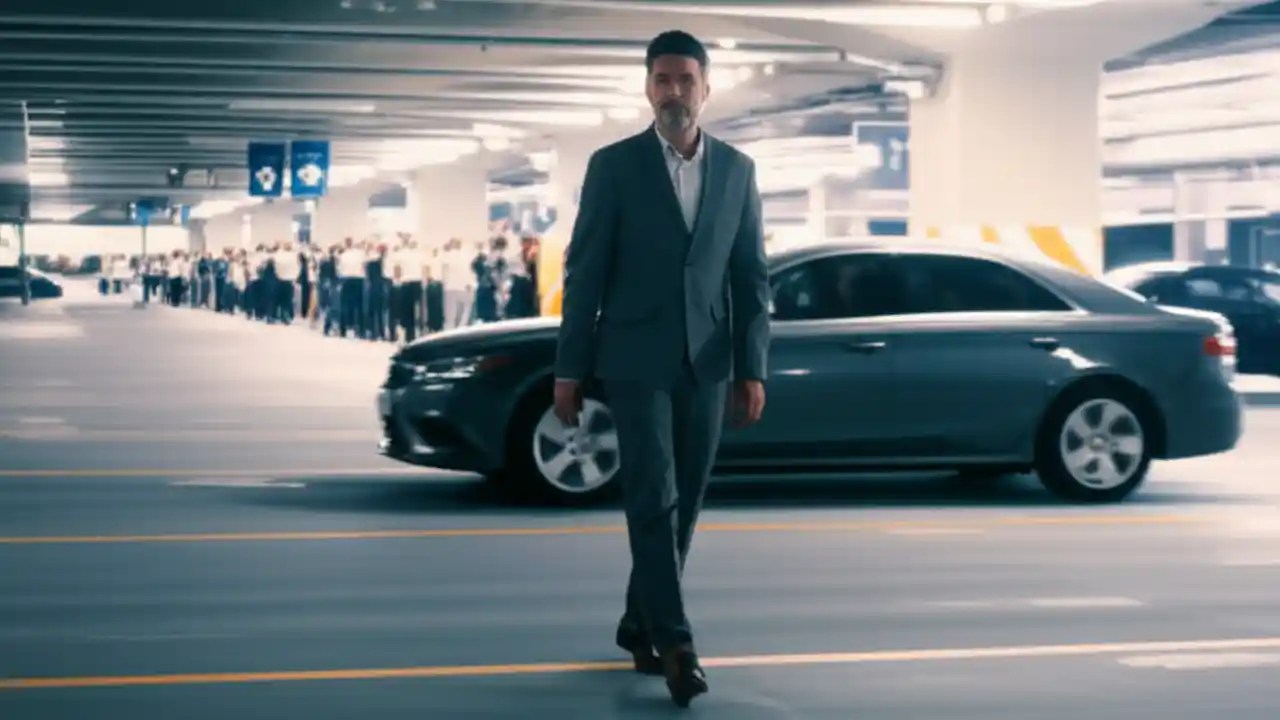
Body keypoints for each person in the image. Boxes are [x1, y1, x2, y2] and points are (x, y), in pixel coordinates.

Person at [552, 29, 769, 709]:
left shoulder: (737, 171)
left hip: (706, 361)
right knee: (653, 495)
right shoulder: (612, 166)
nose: (674, 92)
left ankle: (635, 622)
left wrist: (750, 367)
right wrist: (569, 367)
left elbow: (749, 276)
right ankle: (677, 644)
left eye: (685, 80)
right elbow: (584, 271)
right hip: (633, 357)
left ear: (706, 88)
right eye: (662, 80)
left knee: (687, 505)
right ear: (647, 88)